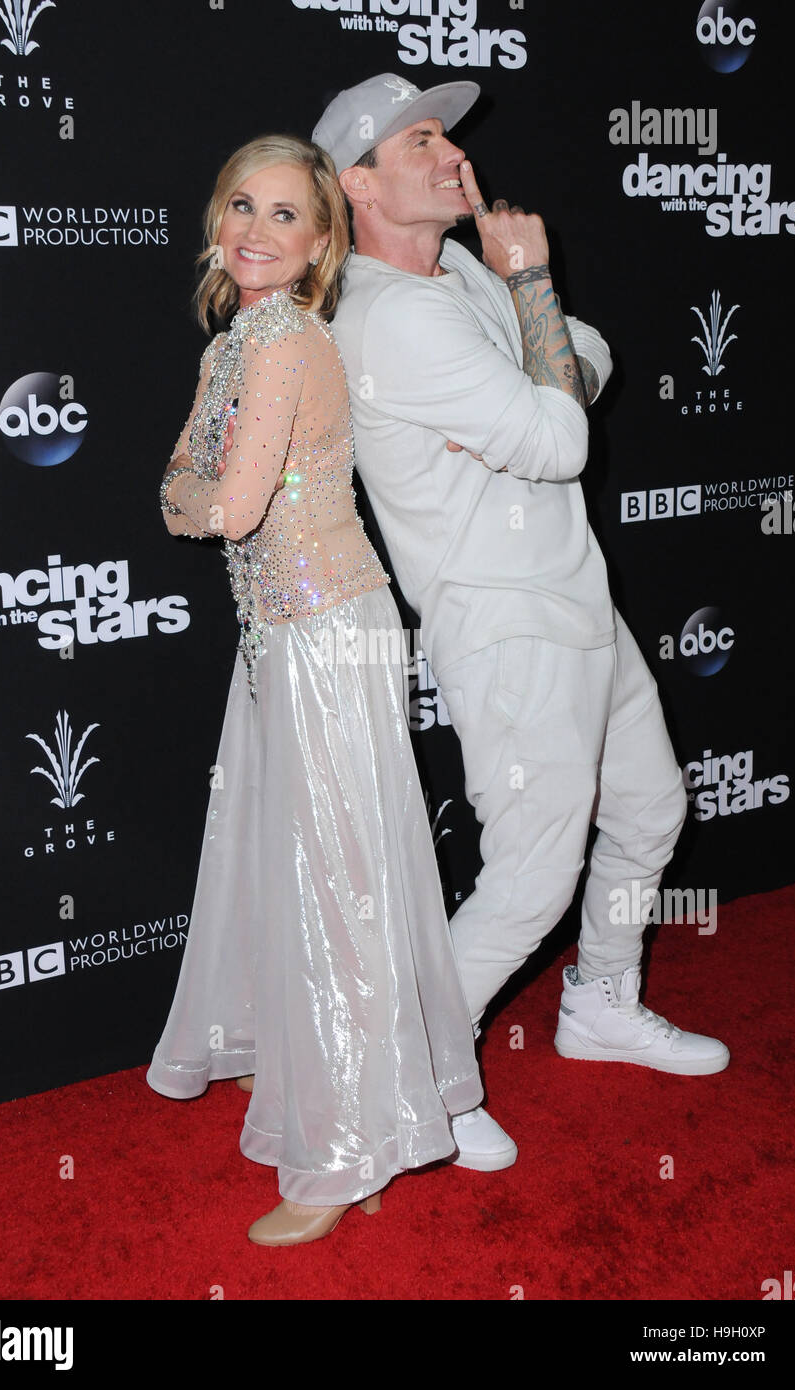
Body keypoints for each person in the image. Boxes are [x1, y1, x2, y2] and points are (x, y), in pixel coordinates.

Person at [312, 75, 730, 1164]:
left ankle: (598, 999)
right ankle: (420, 1077)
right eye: (421, 139)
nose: (453, 151)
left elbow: (587, 356)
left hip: (573, 592)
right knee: (533, 870)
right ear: (358, 183)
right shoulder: (385, 315)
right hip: (502, 622)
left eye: (447, 133)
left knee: (648, 809)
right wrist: (533, 302)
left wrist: (531, 369)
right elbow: (560, 440)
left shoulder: (453, 265)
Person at [145, 134, 485, 1248]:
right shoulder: (240, 339)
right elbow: (185, 486)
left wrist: (191, 491)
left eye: (285, 214)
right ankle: (344, 1103)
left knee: (340, 889)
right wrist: (192, 487)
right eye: (240, 203)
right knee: (299, 875)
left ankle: (346, 1148)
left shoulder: (283, 342)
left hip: (326, 631)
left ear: (322, 240)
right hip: (281, 634)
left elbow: (214, 503)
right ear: (215, 214)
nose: (255, 229)